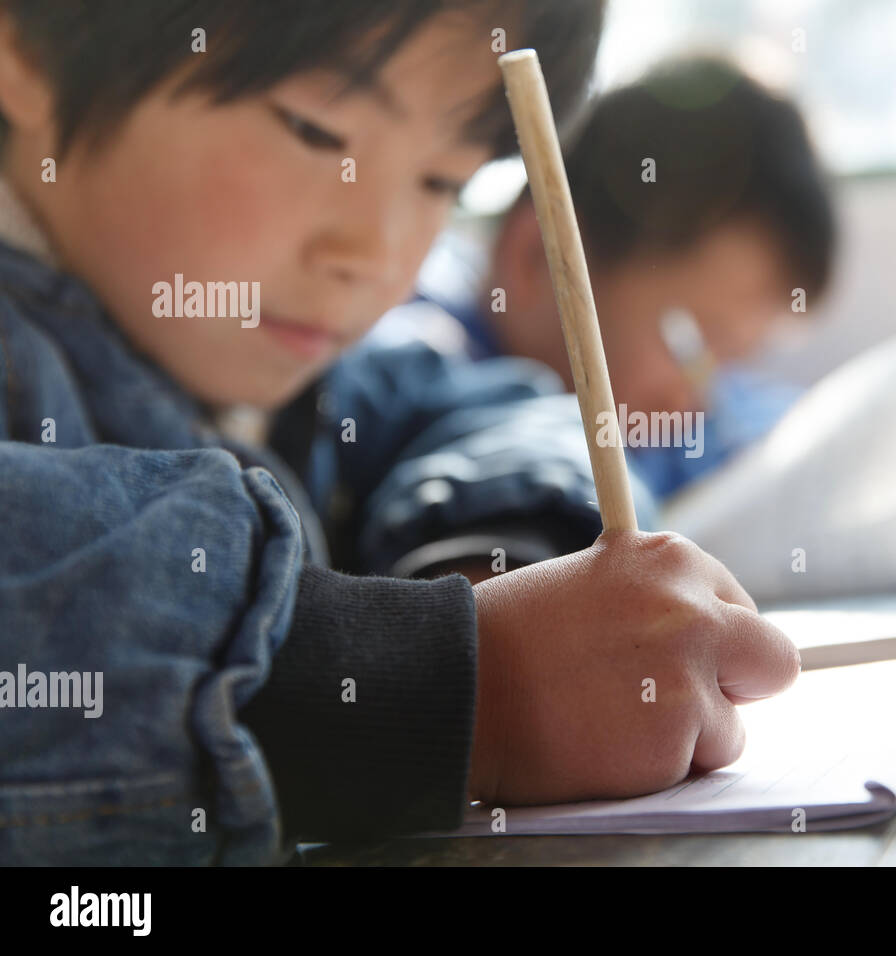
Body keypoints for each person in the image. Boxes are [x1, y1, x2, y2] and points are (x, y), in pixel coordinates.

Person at [0, 0, 798, 865]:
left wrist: (496, 564)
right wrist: (460, 687)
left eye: (442, 182)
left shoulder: (298, 367)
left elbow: (474, 406)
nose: (379, 254)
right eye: (314, 130)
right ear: (30, 49)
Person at [420, 55, 836, 498]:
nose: (698, 404)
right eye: (689, 344)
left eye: (733, 361)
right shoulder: (425, 378)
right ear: (539, 258)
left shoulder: (666, 417)